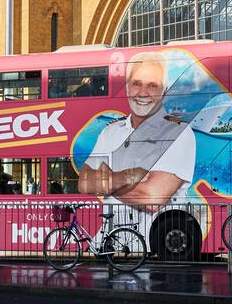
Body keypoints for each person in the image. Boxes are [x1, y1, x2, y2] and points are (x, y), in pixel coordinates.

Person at [78, 51, 196, 217]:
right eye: (136, 83)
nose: (142, 92)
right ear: (127, 87)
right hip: (111, 239)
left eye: (152, 85)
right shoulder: (110, 132)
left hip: (156, 239)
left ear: (164, 91)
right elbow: (84, 182)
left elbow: (152, 199)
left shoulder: (179, 132)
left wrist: (105, 182)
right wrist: (129, 177)